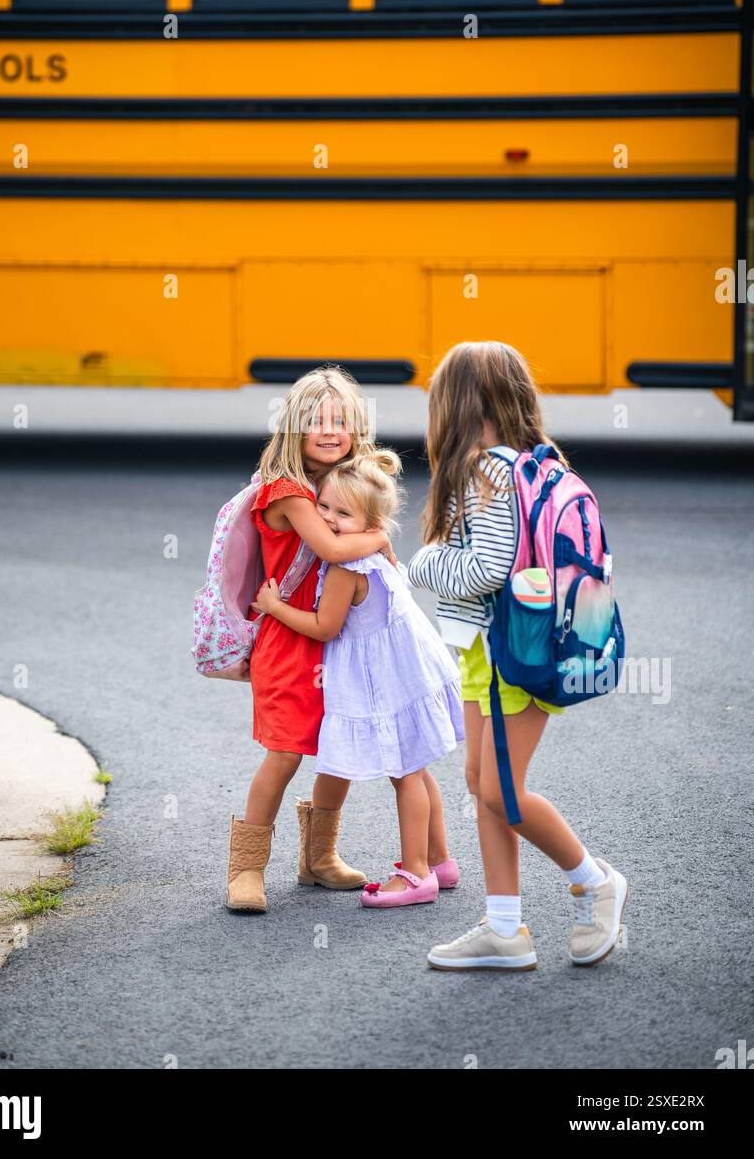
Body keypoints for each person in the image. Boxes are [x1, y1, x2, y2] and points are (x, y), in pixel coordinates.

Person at [408, 341, 629, 968]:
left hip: (510, 647)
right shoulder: (530, 462)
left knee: (501, 789)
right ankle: (504, 927)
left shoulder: (485, 473)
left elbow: (488, 567)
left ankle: (593, 880)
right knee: (483, 784)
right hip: (496, 646)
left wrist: (419, 563)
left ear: (454, 405)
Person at [253, 449, 463, 909]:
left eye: (342, 514)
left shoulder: (346, 567)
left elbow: (324, 627)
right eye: (324, 506)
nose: (327, 519)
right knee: (417, 768)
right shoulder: (376, 551)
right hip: (411, 672)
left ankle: (416, 875)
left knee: (405, 773)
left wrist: (275, 608)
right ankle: (440, 861)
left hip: (383, 681)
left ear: (372, 523)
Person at [226, 366, 390, 914]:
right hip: (288, 641)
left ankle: (319, 857)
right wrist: (381, 531)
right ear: (291, 428)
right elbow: (333, 549)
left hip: (335, 637)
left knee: (339, 748)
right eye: (315, 419)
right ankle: (246, 869)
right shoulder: (289, 492)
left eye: (341, 420)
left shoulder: (337, 488)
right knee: (285, 753)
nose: (329, 429)